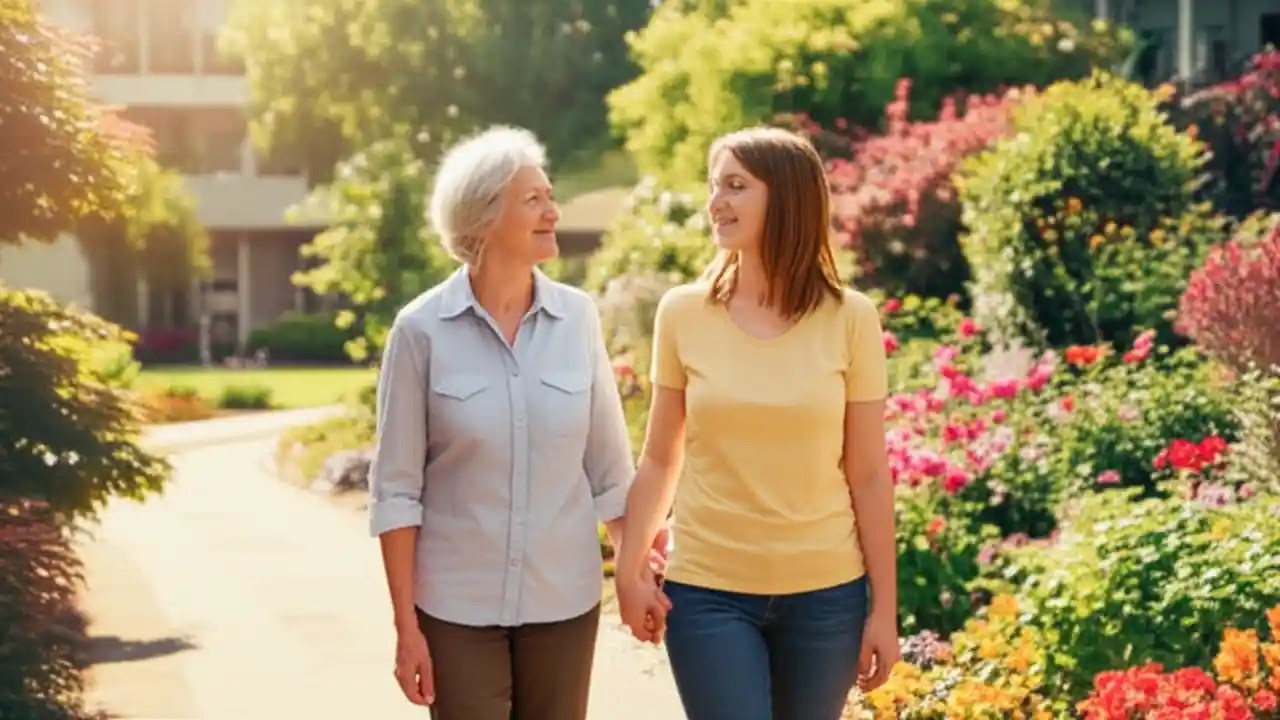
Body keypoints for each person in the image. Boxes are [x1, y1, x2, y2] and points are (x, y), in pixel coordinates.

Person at [366, 125, 659, 720]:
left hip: (564, 601)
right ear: (482, 215)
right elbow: (396, 491)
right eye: (533, 199)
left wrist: (633, 574)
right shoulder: (420, 331)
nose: (553, 211)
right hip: (455, 609)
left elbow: (608, 469)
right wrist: (406, 628)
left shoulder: (577, 318)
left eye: (549, 196)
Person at [613, 126, 900, 719]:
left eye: (736, 186)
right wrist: (630, 567)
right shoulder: (684, 313)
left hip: (826, 597)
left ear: (788, 198)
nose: (716, 201)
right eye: (715, 185)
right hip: (708, 591)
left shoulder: (851, 319)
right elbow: (662, 457)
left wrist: (885, 610)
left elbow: (869, 474)